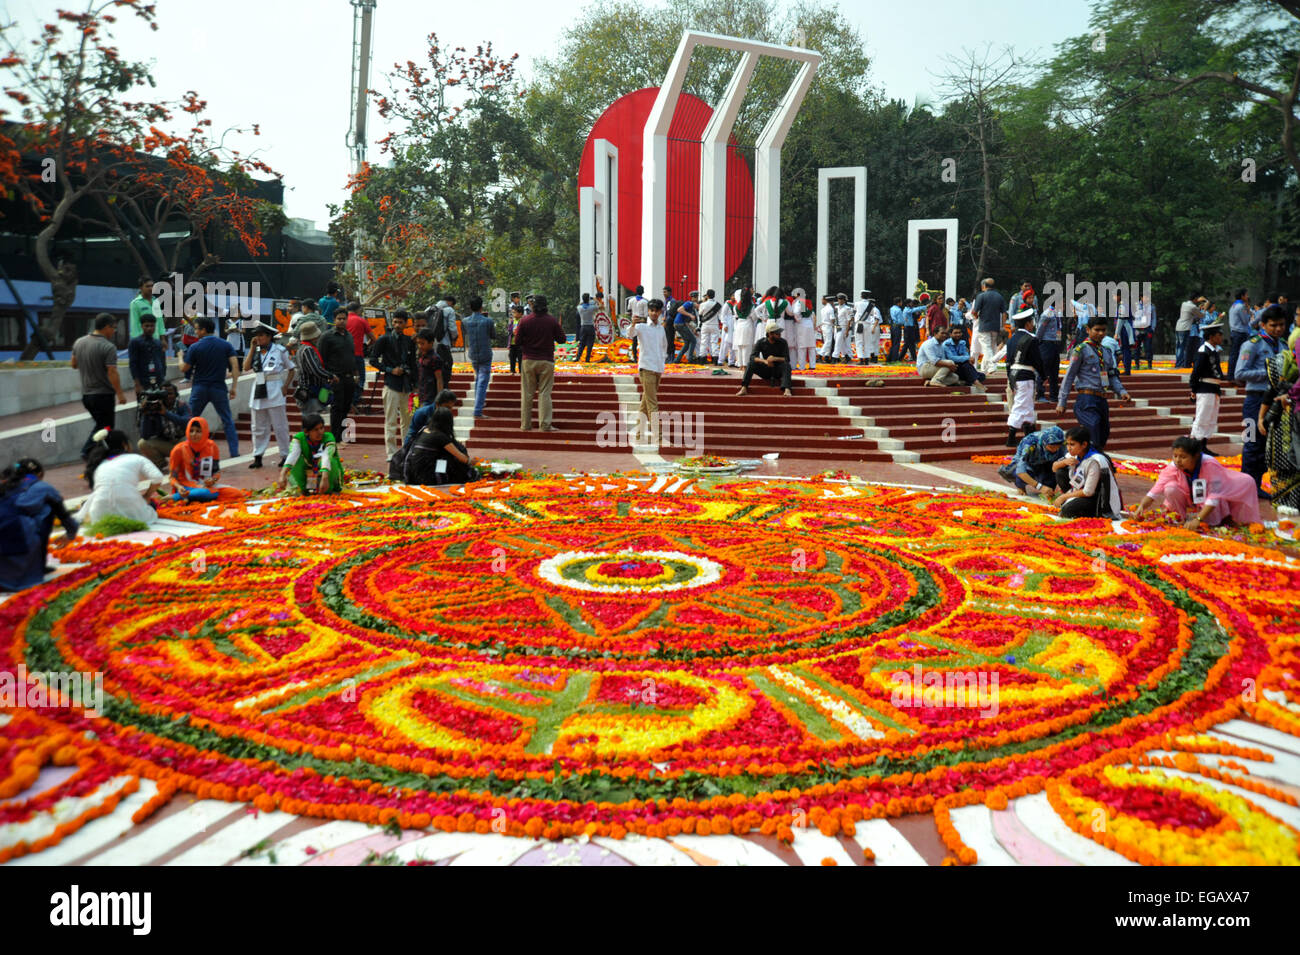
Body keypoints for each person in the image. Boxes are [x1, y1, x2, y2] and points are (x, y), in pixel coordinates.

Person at [1134, 436, 1262, 529]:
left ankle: (1222, 516)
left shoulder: (1210, 464)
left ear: (1195, 456)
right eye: (1175, 456)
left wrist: (1198, 519)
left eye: (1183, 457)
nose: (1178, 460)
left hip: (1218, 494)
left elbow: (1214, 495)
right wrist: (1141, 507)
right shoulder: (1174, 465)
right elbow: (1156, 489)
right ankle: (1183, 519)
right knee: (1170, 489)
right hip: (1193, 492)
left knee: (1212, 523)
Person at [0, 458, 77, 591]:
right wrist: (71, 532)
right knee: (47, 508)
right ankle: (36, 566)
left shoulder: (6, 486)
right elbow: (63, 514)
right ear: (39, 474)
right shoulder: (42, 487)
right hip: (18, 541)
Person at [1235, 304, 1287, 496]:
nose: (1278, 329)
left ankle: (1256, 485)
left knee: (1269, 445)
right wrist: (1269, 372)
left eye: (1281, 325)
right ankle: (1247, 486)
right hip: (1255, 400)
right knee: (1252, 443)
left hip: (1275, 401)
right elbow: (1240, 373)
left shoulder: (1282, 345)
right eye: (1273, 325)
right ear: (1263, 324)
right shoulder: (1253, 344)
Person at [1057, 316, 1131, 451]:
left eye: (1103, 330)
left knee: (1104, 432)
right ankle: (1091, 462)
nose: (1101, 333)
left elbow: (1110, 375)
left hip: (1101, 399)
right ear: (1088, 330)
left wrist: (1122, 391)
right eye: (1097, 330)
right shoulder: (1081, 350)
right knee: (1094, 429)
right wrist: (1062, 401)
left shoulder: (1106, 352)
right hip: (1086, 399)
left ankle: (1091, 459)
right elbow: (1069, 376)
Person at [179, 316, 240, 458]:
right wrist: (234, 387)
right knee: (227, 420)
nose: (195, 332)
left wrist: (180, 356)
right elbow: (235, 366)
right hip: (219, 388)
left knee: (191, 419)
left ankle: (189, 450)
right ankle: (234, 452)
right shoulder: (225, 345)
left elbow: (184, 368)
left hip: (200, 388)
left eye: (196, 329)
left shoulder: (195, 347)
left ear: (203, 330)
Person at [71, 312, 127, 459]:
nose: (114, 331)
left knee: (101, 425)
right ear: (107, 327)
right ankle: (87, 450)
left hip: (86, 395)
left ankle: (101, 455)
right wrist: (120, 394)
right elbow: (112, 371)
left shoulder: (79, 342)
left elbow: (74, 364)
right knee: (106, 427)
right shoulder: (108, 347)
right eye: (113, 328)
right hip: (103, 395)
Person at [81, 429, 165, 526]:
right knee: (152, 506)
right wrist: (146, 496)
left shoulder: (100, 465)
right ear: (124, 444)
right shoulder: (136, 458)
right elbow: (157, 477)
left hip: (100, 517)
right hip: (134, 514)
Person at [243, 323, 294, 469]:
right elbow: (246, 367)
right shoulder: (256, 350)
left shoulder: (280, 350)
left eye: (261, 335)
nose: (258, 338)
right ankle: (258, 455)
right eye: (257, 335)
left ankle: (285, 455)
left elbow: (291, 369)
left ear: (269, 337)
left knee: (280, 426)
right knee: (257, 426)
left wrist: (285, 386)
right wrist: (252, 348)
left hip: (274, 388)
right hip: (258, 387)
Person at [1259, 336, 1300, 511]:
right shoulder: (1280, 362)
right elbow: (1271, 392)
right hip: (1283, 418)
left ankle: (1290, 503)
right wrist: (1261, 418)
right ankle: (1286, 502)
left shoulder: (1280, 362)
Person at [517, 294, 567, 431]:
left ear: (532, 305)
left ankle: (525, 425)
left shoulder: (525, 320)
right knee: (544, 393)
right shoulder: (551, 321)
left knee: (527, 393)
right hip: (546, 360)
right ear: (546, 306)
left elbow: (517, 341)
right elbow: (562, 339)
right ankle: (545, 425)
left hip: (528, 360)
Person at [373, 310, 418, 461]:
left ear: (406, 324)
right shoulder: (383, 340)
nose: (398, 325)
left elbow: (413, 364)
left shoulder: (409, 341)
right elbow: (373, 360)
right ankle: (391, 453)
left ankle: (406, 450)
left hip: (407, 385)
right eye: (395, 322)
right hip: (391, 384)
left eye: (401, 322)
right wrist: (390, 370)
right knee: (390, 420)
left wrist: (416, 385)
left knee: (408, 420)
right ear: (392, 323)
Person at [1052, 426, 1122, 519]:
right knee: (1060, 472)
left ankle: (1083, 508)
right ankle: (1071, 499)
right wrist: (1064, 462)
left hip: (1095, 498)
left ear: (1084, 444)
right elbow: (1054, 468)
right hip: (1078, 489)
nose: (1068, 448)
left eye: (1072, 444)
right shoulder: (1074, 454)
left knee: (1067, 510)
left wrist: (1063, 497)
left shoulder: (1095, 461)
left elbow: (1088, 492)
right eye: (1067, 444)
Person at [169, 417, 235, 502]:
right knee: (208, 492)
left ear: (205, 432)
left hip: (205, 485)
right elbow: (172, 477)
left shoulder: (212, 446)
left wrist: (213, 480)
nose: (194, 434)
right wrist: (179, 487)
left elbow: (216, 471)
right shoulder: (179, 450)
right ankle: (176, 497)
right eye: (191, 431)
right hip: (185, 485)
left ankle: (190, 497)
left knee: (236, 493)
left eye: (198, 431)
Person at [275, 413, 344, 496]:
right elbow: (292, 455)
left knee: (331, 462)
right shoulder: (299, 438)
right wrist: (282, 475)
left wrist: (325, 478)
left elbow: (326, 457)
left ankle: (328, 490)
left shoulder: (329, 437)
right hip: (308, 469)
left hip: (325, 471)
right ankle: (303, 489)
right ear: (306, 432)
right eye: (316, 430)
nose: (320, 432)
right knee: (296, 461)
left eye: (321, 428)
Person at [1004, 309, 1045, 446]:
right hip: (1025, 375)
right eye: (1032, 322)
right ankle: (1011, 437)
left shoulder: (1011, 340)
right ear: (1028, 323)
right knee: (1021, 405)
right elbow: (1037, 360)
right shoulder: (1031, 339)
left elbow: (1008, 361)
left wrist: (1009, 377)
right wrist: (1043, 375)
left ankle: (1029, 435)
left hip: (1014, 375)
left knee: (1026, 405)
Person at [404, 406, 476, 486]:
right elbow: (461, 457)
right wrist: (471, 462)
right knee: (459, 464)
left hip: (413, 474)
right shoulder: (439, 436)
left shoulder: (425, 429)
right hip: (426, 476)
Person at [630, 298, 669, 444]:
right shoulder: (641, 327)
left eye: (656, 311)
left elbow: (664, 347)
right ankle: (657, 437)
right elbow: (630, 334)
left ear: (660, 312)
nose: (653, 313)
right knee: (653, 403)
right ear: (648, 311)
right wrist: (633, 324)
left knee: (646, 403)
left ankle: (639, 434)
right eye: (651, 310)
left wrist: (662, 363)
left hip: (657, 368)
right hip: (646, 368)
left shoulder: (661, 329)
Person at [319, 308, 358, 450]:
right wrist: (327, 376)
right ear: (334, 320)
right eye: (339, 318)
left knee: (346, 407)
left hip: (349, 377)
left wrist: (355, 374)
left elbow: (352, 356)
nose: (342, 321)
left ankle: (341, 437)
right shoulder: (327, 337)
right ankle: (334, 439)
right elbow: (321, 358)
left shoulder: (349, 336)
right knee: (337, 408)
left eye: (344, 318)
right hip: (335, 378)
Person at [1000, 425, 1069, 500]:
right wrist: (1040, 487)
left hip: (1048, 464)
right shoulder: (1030, 443)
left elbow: (1066, 464)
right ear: (1044, 443)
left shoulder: (1062, 443)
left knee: (1056, 476)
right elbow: (1020, 470)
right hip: (1030, 463)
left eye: (1058, 446)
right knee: (1019, 474)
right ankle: (1020, 485)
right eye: (1051, 447)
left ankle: (1048, 487)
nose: (1055, 449)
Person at [137, 381, 192, 471]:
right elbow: (145, 435)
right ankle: (160, 463)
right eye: (164, 394)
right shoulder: (155, 407)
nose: (167, 397)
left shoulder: (182, 405)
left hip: (181, 441)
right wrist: (146, 414)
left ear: (176, 395)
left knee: (191, 441)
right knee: (142, 443)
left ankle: (184, 460)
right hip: (167, 443)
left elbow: (188, 421)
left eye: (170, 393)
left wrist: (166, 413)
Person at [1189, 320, 1225, 454]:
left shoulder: (1214, 351)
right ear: (1211, 336)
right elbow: (1196, 371)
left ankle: (1203, 445)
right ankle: (1195, 446)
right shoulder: (1204, 351)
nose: (1221, 337)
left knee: (1211, 417)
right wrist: (1193, 388)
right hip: (1205, 388)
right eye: (1219, 335)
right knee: (1202, 417)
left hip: (1214, 388)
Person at [736, 321, 793, 397]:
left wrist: (774, 358)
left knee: (786, 365)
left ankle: (787, 389)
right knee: (751, 363)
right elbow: (752, 357)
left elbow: (786, 359)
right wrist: (765, 361)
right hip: (766, 369)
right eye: (777, 333)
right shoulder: (761, 342)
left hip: (778, 370)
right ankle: (744, 388)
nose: (780, 335)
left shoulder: (783, 342)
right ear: (770, 334)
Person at [291, 322, 334, 420]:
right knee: (311, 421)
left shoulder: (301, 349)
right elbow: (316, 370)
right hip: (311, 391)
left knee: (309, 419)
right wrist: (330, 376)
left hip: (307, 390)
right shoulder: (308, 350)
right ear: (314, 337)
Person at [462, 295, 494, 417]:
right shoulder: (488, 321)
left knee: (478, 379)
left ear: (470, 307)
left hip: (473, 353)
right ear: (481, 307)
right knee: (482, 381)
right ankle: (478, 409)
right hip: (485, 353)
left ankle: (479, 403)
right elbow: (493, 335)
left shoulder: (465, 321)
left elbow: (465, 334)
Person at [969, 279, 1007, 375]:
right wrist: (1003, 326)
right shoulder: (999, 296)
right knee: (992, 347)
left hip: (984, 325)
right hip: (996, 326)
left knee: (986, 347)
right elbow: (1004, 313)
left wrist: (978, 318)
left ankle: (991, 366)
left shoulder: (981, 296)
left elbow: (974, 311)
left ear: (984, 286)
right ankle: (984, 368)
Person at [128, 312, 168, 397]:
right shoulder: (135, 342)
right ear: (142, 326)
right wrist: (137, 384)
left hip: (159, 381)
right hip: (143, 383)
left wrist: (163, 380)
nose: (149, 328)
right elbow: (133, 364)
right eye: (147, 326)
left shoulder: (158, 343)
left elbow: (162, 361)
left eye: (152, 325)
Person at [345, 303, 374, 413]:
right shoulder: (361, 320)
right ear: (358, 310)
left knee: (346, 379)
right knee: (360, 379)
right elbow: (373, 338)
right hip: (357, 354)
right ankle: (354, 401)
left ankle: (347, 402)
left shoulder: (342, 320)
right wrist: (366, 346)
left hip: (344, 357)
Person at [942, 326, 987, 393]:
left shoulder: (962, 343)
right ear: (950, 334)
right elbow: (952, 358)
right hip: (952, 367)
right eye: (955, 333)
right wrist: (967, 358)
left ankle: (965, 381)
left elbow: (965, 354)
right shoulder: (946, 344)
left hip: (962, 367)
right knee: (967, 366)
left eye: (959, 333)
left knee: (982, 376)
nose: (958, 334)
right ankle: (977, 383)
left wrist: (967, 358)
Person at [1035, 301, 1062, 403]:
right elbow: (1040, 330)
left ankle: (1054, 396)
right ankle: (1040, 394)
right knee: (1044, 370)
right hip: (1046, 344)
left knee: (1055, 371)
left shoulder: (1057, 314)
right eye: (1062, 303)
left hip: (1055, 344)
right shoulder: (1047, 314)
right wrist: (1038, 343)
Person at [1226, 289, 1252, 381]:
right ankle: (1235, 376)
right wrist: (1249, 313)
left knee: (1234, 354)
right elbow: (1245, 320)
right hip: (1240, 333)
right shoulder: (1241, 307)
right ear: (1242, 296)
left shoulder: (1233, 306)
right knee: (1241, 355)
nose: (1247, 297)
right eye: (1246, 295)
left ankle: (1231, 375)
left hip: (1235, 332)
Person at [1175, 294, 1204, 368]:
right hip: (1185, 328)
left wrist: (1198, 308)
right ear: (1195, 299)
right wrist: (1204, 305)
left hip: (1178, 327)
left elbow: (1192, 314)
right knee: (1183, 347)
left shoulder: (1184, 304)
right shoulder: (1193, 307)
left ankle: (1178, 363)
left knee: (1179, 347)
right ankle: (1180, 364)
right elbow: (1202, 315)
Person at [1113, 290, 1135, 375]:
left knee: (1125, 350)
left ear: (1119, 296)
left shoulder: (1122, 305)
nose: (1113, 298)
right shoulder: (1124, 304)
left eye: (1114, 296)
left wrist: (1116, 333)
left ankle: (1127, 369)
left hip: (1124, 330)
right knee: (1123, 350)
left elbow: (1120, 320)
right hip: (1125, 329)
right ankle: (1125, 368)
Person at [697, 289, 722, 364]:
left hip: (705, 325)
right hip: (714, 325)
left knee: (704, 342)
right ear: (714, 295)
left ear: (707, 296)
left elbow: (700, 314)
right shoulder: (718, 305)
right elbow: (720, 316)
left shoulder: (702, 304)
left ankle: (702, 359)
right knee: (714, 342)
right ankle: (715, 360)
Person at [674, 291, 699, 363]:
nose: (696, 299)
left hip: (680, 324)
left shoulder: (692, 307)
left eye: (696, 297)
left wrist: (694, 329)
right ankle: (690, 359)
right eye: (694, 297)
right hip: (680, 324)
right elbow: (679, 309)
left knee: (687, 342)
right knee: (693, 340)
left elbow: (687, 321)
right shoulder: (689, 303)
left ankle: (677, 360)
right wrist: (690, 315)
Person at [625, 286, 648, 363]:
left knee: (634, 341)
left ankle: (635, 357)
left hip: (634, 322)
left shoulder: (631, 300)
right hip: (642, 323)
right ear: (643, 292)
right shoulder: (645, 302)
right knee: (643, 341)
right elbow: (645, 315)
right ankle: (642, 358)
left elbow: (628, 311)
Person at [1134, 293, 1156, 370]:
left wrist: (1152, 328)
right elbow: (1133, 318)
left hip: (1147, 329)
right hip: (1138, 329)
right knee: (1137, 347)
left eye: (1148, 297)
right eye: (1145, 297)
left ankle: (1149, 364)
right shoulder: (1135, 306)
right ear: (1141, 297)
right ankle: (1137, 364)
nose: (1147, 298)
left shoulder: (1152, 306)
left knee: (1148, 347)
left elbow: (1154, 318)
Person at [857, 292, 880, 365]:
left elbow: (876, 318)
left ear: (861, 296)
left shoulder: (857, 303)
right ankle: (866, 359)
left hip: (861, 324)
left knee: (859, 342)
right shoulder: (871, 306)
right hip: (868, 325)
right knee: (868, 342)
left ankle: (861, 359)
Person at [575, 293, 597, 361]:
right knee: (590, 343)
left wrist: (583, 301)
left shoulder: (580, 308)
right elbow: (601, 306)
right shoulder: (592, 307)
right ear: (588, 299)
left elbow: (578, 305)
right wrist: (595, 300)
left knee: (582, 343)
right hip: (590, 326)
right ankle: (587, 359)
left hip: (583, 326)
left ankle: (578, 357)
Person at [507, 302, 524, 374]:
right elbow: (509, 330)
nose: (514, 315)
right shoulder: (512, 321)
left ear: (520, 314)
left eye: (515, 313)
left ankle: (521, 371)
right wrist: (511, 331)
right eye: (513, 313)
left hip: (520, 343)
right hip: (512, 343)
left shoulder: (523, 321)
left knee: (520, 358)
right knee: (512, 357)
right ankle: (512, 370)